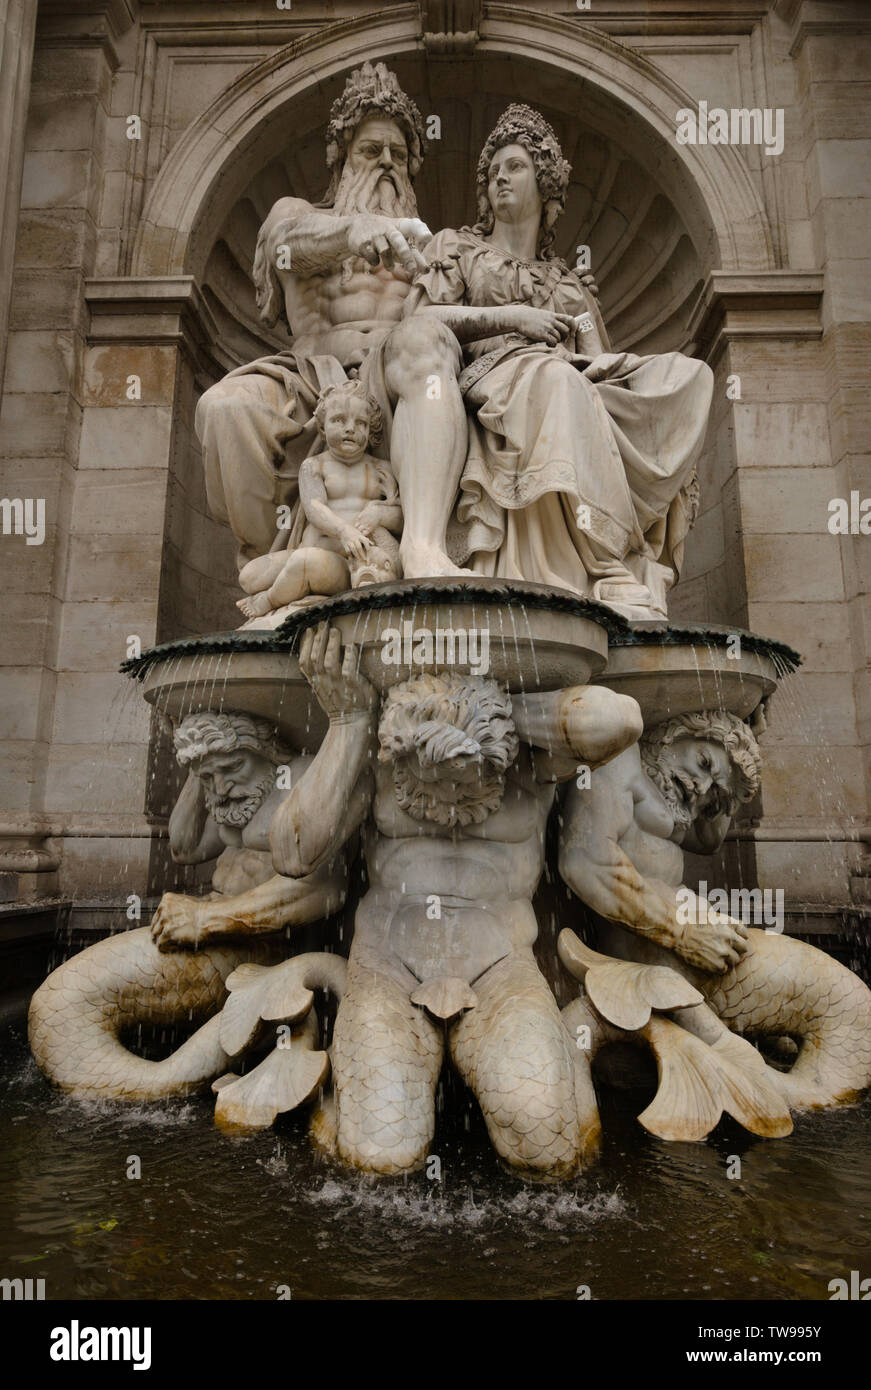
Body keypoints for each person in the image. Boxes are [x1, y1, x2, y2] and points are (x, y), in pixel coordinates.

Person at [267, 622, 643, 1176]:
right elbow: (293, 853)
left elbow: (620, 720)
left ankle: (566, 1057)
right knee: (383, 1158)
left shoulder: (533, 764)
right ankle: (339, 1084)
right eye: (431, 781)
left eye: (464, 780)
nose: (447, 798)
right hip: (387, 966)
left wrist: (492, 712)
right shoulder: (380, 759)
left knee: (548, 1149)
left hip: (500, 970)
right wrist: (350, 722)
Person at [406, 103, 714, 618]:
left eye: (515, 166)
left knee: (692, 375)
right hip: (488, 376)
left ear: (544, 185)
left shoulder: (568, 284)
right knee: (557, 380)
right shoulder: (455, 248)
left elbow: (598, 357)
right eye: (493, 171)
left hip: (563, 380)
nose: (500, 178)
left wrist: (600, 368)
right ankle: (604, 565)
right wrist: (514, 318)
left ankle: (623, 544)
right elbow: (419, 319)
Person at [195, 62, 468, 581]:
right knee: (223, 408)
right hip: (309, 377)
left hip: (393, 379)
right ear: (341, 159)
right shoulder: (297, 214)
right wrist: (351, 231)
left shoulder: (434, 244)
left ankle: (423, 547)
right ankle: (270, 561)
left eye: (399, 155)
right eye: (370, 151)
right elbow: (285, 251)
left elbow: (472, 307)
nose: (387, 163)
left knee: (425, 344)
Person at [236, 380, 402, 619]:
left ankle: (267, 600)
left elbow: (401, 518)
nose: (350, 429)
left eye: (361, 423)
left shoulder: (381, 469)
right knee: (249, 576)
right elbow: (314, 506)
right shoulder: (315, 465)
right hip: (316, 547)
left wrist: (380, 514)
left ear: (371, 428)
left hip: (354, 564)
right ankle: (292, 583)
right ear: (322, 426)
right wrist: (344, 531)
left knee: (305, 561)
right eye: (339, 420)